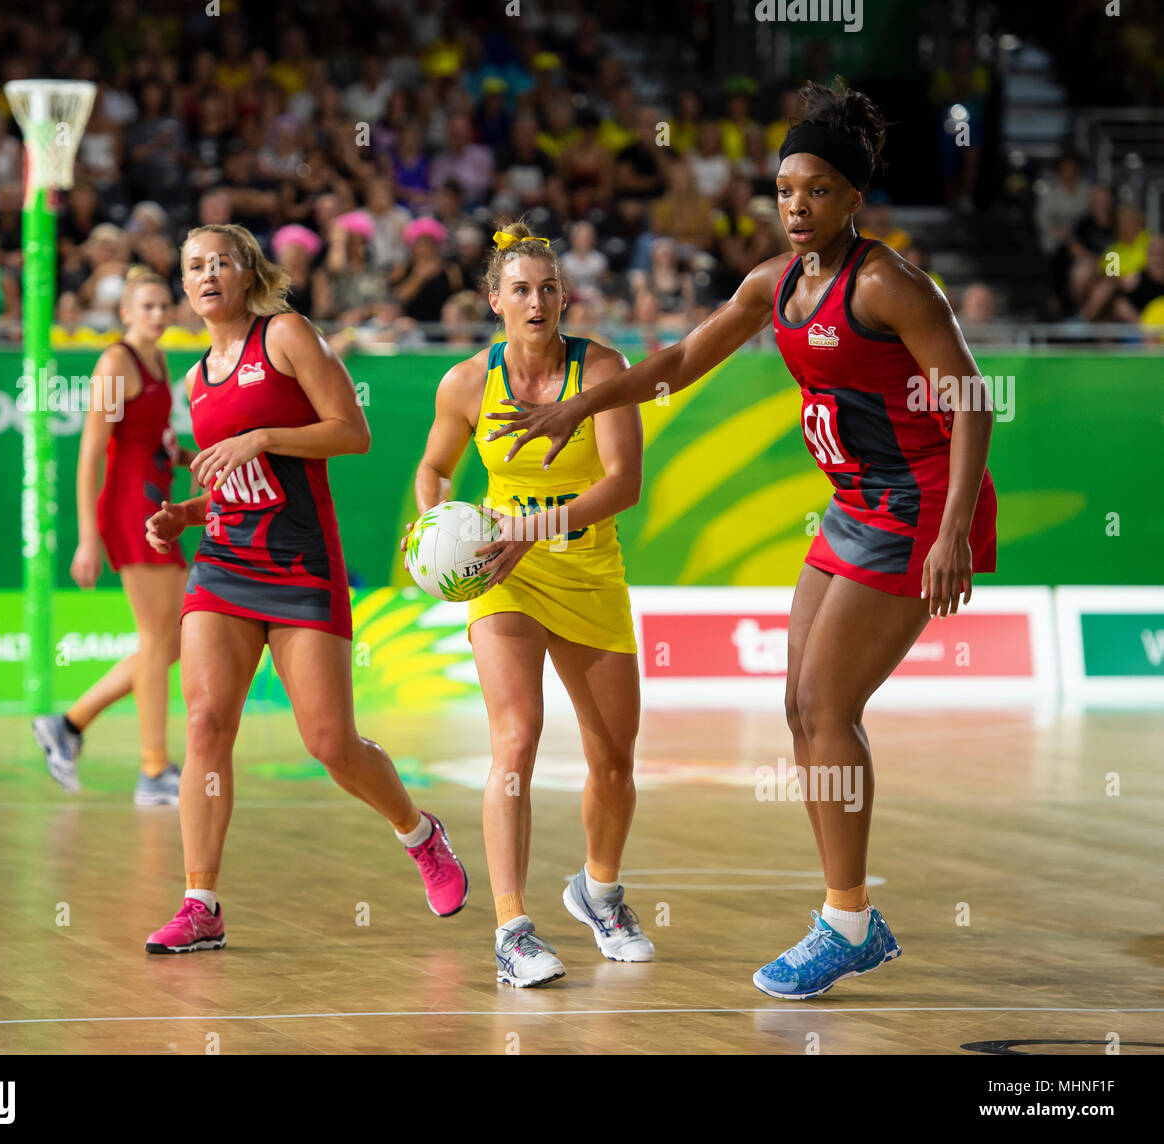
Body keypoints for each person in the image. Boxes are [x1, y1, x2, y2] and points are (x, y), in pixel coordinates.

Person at [490, 82, 998, 1000]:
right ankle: (850, 918)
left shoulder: (887, 285)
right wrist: (581, 401)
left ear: (853, 198)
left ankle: (847, 920)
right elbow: (681, 361)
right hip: (853, 503)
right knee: (801, 710)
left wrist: (956, 527)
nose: (797, 208)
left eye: (816, 191)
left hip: (918, 506)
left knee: (826, 703)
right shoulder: (774, 282)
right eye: (784, 192)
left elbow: (971, 399)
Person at [142, 223, 468, 953]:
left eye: (220, 261)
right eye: (193, 265)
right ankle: (201, 904)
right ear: (184, 286)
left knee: (329, 743)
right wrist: (186, 516)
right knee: (203, 725)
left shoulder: (285, 335)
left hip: (299, 564)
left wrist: (263, 437)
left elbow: (353, 433)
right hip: (224, 562)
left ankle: (419, 835)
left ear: (245, 270)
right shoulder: (194, 380)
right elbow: (237, 487)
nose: (206, 274)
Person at [404, 222, 653, 987]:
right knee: (517, 735)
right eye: (521, 289)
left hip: (585, 570)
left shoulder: (604, 369)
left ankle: (598, 893)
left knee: (613, 759)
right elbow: (434, 466)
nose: (537, 300)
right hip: (503, 572)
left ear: (565, 296)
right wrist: (434, 525)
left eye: (549, 287)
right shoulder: (466, 383)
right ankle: (513, 929)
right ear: (494, 301)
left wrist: (535, 525)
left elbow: (622, 485)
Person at [33, 269, 191, 806]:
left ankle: (69, 724)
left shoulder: (158, 359)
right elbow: (92, 451)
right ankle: (152, 771)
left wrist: (187, 456)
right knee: (157, 640)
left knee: (172, 640)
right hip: (130, 509)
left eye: (162, 305)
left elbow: (150, 435)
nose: (157, 314)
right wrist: (87, 537)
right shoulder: (114, 363)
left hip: (158, 502)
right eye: (145, 306)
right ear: (124, 313)